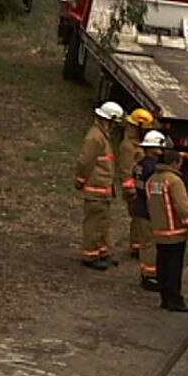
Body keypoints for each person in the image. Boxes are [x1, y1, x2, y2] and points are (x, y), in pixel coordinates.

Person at [75, 100, 124, 270]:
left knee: (103, 222)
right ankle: (90, 255)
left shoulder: (103, 136)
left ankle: (102, 251)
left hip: (103, 189)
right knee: (94, 223)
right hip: (95, 189)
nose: (114, 127)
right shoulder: (95, 137)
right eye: (114, 123)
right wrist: (80, 179)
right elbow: (85, 161)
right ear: (107, 120)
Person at [147, 148, 188, 312]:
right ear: (175, 163)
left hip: (159, 231)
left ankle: (165, 298)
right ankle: (175, 300)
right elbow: (182, 206)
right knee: (174, 267)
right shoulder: (174, 181)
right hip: (175, 232)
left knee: (162, 265)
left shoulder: (152, 180)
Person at [131, 130, 168, 291]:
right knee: (150, 245)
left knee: (147, 243)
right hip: (147, 210)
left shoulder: (140, 164)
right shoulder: (152, 168)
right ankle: (150, 277)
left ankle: (148, 274)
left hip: (139, 206)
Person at [118, 107, 156, 259]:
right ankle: (136, 246)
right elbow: (126, 170)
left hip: (140, 188)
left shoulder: (138, 144)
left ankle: (137, 245)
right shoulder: (128, 147)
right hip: (134, 189)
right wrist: (131, 190)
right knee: (137, 217)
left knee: (139, 218)